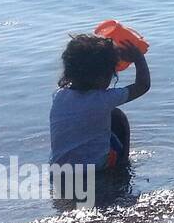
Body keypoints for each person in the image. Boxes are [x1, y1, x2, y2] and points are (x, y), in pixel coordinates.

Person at [50, 33, 150, 173]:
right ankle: (121, 165)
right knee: (117, 117)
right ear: (103, 76)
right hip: (95, 169)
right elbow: (142, 85)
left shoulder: (58, 96)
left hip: (59, 170)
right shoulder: (103, 100)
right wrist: (139, 58)